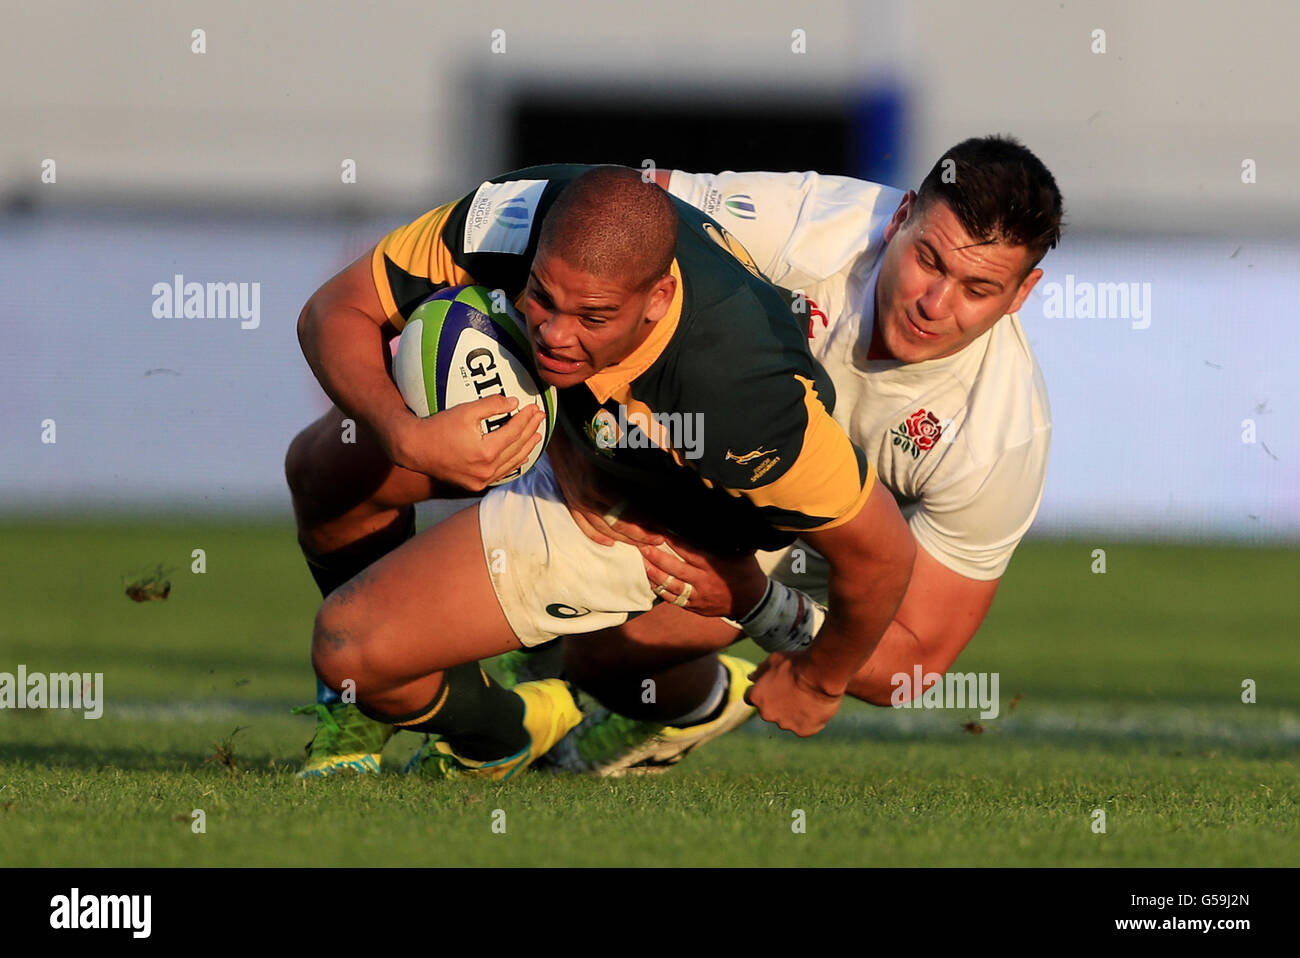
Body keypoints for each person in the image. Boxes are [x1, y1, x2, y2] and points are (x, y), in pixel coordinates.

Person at [288, 164, 915, 779]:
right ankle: (368, 709)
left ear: (658, 299)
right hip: (574, 426)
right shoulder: (524, 210)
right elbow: (334, 311)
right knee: (326, 465)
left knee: (349, 650)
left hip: (646, 513)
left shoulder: (742, 400)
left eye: (592, 317)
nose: (554, 335)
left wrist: (820, 679)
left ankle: (506, 729)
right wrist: (405, 436)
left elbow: (881, 553)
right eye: (541, 298)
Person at [538, 134, 1063, 775]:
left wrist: (765, 610)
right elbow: (608, 208)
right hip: (686, 451)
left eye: (978, 289)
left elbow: (911, 662)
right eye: (929, 260)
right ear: (899, 218)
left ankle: (688, 704)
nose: (935, 303)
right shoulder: (811, 222)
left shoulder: (1000, 434)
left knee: (601, 651)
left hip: (807, 554)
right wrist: (558, 427)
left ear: (1021, 293)